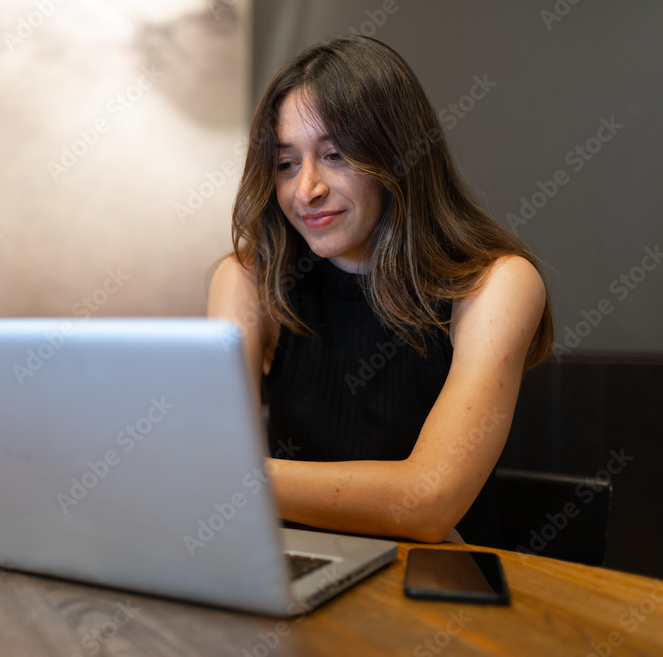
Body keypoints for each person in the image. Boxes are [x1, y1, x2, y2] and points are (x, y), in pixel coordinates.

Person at [207, 36, 553, 546]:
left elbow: (427, 503)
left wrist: (232, 482)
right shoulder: (246, 280)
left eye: (336, 154)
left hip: (434, 595)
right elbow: (209, 459)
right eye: (285, 164)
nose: (306, 190)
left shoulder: (497, 284)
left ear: (398, 155)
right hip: (291, 575)